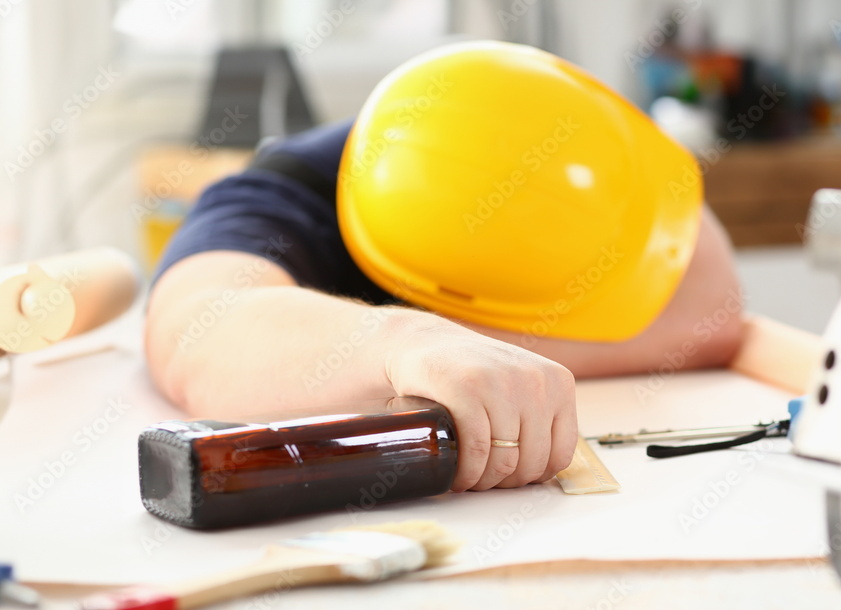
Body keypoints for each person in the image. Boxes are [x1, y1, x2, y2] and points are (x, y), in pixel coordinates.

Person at [145, 42, 743, 494]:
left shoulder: (570, 143)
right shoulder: (273, 200)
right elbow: (196, 328)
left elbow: (712, 312)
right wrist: (405, 343)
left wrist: (493, 358)